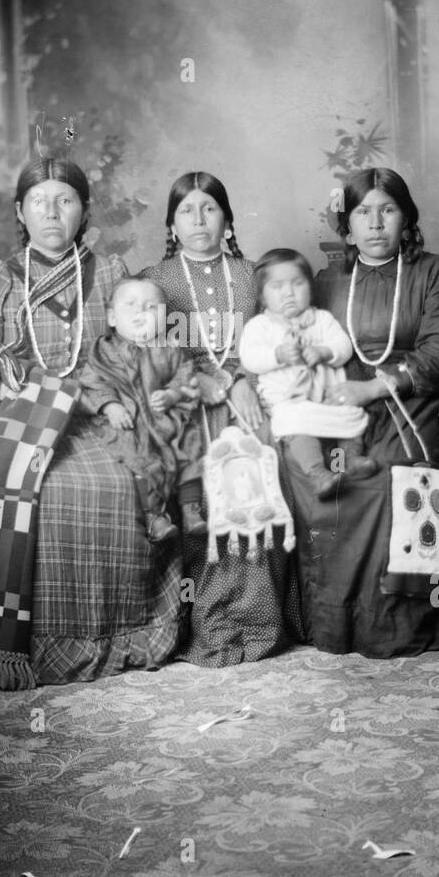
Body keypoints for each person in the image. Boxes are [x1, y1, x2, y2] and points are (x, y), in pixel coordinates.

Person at [0, 155, 182, 688]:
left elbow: (134, 338)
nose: (51, 212)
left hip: (93, 414)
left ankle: (120, 634)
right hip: (18, 418)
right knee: (45, 487)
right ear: (20, 211)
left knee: (116, 480)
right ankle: (23, 644)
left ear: (83, 211)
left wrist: (142, 386)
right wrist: (9, 366)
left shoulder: (107, 271)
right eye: (39, 201)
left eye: (65, 200)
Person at [299, 167, 439, 657]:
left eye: (388, 210)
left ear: (407, 218)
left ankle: (400, 622)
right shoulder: (328, 280)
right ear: (347, 224)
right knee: (318, 471)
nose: (375, 224)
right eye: (362, 212)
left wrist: (375, 387)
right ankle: (338, 619)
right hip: (345, 405)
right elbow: (306, 347)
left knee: (386, 477)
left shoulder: (434, 271)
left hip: (414, 405)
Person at [141, 172, 304, 666]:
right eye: (186, 210)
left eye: (209, 208)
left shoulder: (252, 274)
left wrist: (236, 379)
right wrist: (199, 381)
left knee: (262, 465)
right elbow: (151, 349)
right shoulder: (155, 280)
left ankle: (262, 619)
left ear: (228, 219)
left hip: (247, 394)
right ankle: (207, 622)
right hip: (186, 405)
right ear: (171, 223)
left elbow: (270, 336)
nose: (198, 219)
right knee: (201, 486)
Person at [76, 276, 208, 543]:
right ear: (112, 317)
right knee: (138, 453)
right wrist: (111, 405)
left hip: (166, 417)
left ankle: (191, 510)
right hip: (130, 419)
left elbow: (185, 378)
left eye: (151, 307)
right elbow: (92, 381)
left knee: (191, 444)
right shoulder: (104, 351)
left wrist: (172, 395)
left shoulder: (170, 348)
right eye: (131, 306)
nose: (140, 313)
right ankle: (154, 516)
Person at [238, 248, 377, 497]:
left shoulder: (321, 320)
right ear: (262, 295)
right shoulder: (260, 326)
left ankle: (346, 463)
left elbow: (343, 346)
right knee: (297, 427)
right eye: (277, 286)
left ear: (310, 288)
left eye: (298, 283)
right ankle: (317, 473)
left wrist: (324, 351)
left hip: (327, 394)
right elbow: (250, 357)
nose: (289, 293)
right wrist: (277, 355)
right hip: (290, 400)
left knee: (348, 421)